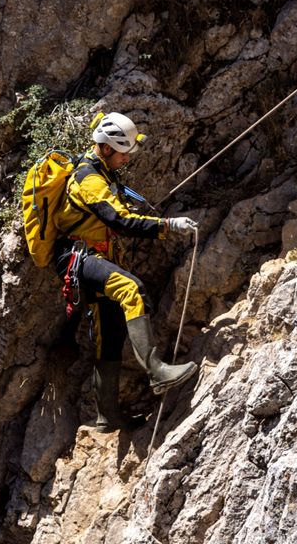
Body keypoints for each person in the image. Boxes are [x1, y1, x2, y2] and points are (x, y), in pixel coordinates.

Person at [54, 112, 199, 430]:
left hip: (86, 258)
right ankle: (157, 372)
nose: (126, 159)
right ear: (106, 148)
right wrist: (166, 225)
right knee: (130, 289)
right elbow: (119, 220)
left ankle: (107, 415)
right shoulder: (90, 179)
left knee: (110, 333)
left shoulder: (101, 172)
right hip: (79, 259)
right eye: (123, 152)